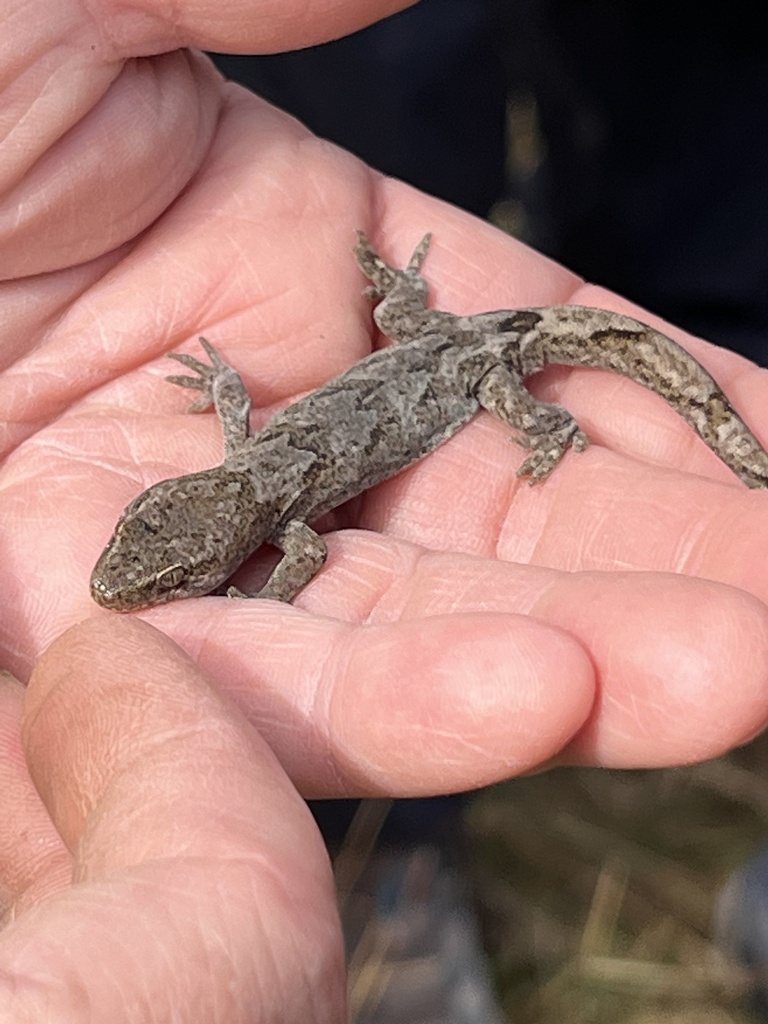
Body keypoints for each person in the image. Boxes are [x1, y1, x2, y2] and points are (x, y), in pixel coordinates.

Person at [3, 1, 768, 1020]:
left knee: (551, 350)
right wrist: (236, 376)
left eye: (160, 574)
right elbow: (238, 407)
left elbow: (307, 552)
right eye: (147, 561)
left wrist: (536, 432)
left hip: (481, 361)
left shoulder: (284, 510)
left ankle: (714, 443)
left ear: (208, 547)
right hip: (422, 341)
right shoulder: (254, 466)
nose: (135, 583)